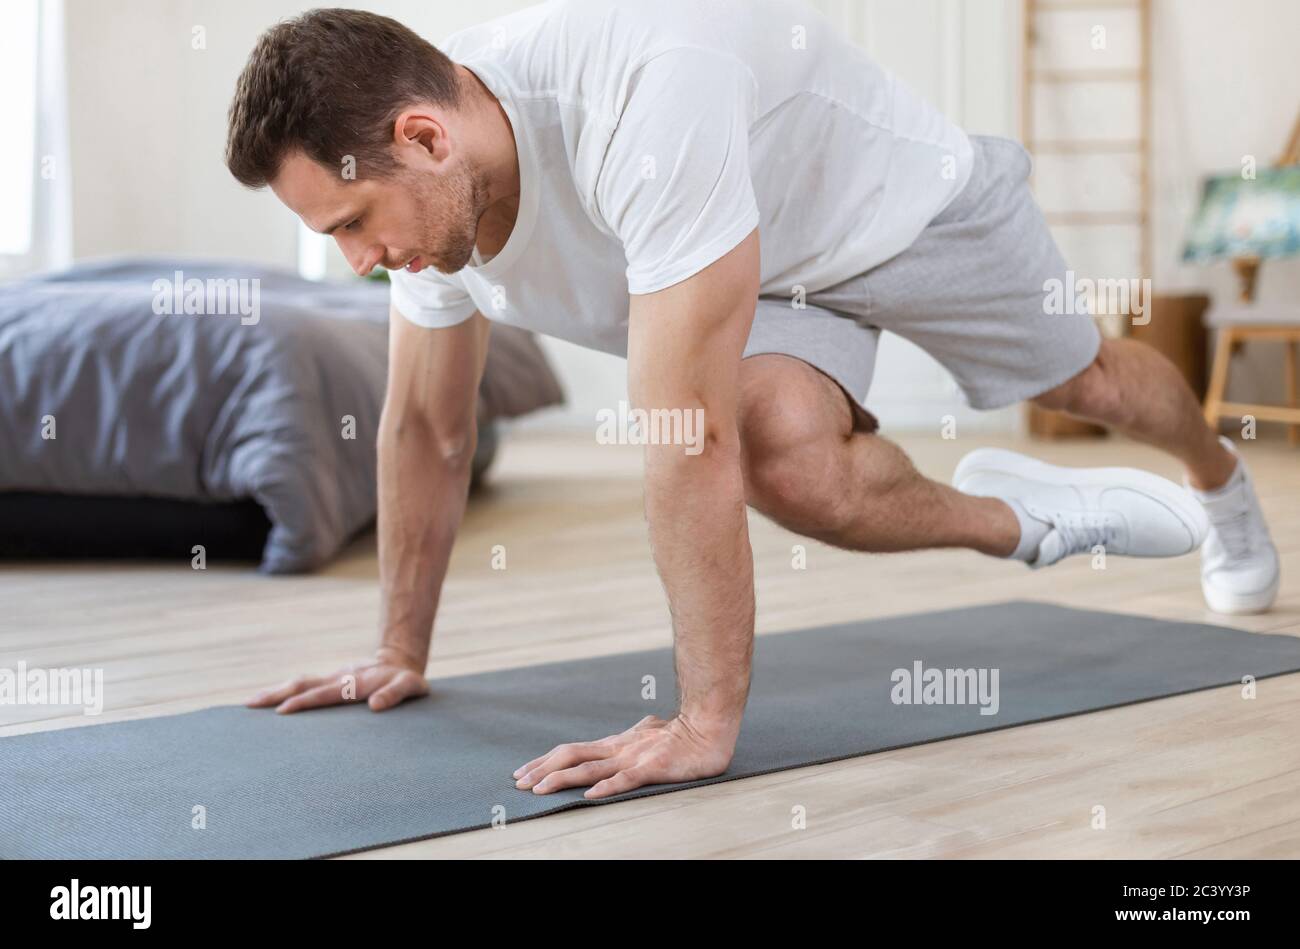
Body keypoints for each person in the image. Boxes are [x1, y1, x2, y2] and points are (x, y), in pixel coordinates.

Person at [224, 0, 1280, 800]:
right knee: (790, 464)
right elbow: (423, 426)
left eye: (352, 222)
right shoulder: (431, 204)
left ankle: (1219, 482)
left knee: (1087, 379)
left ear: (423, 136)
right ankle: (1032, 520)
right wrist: (401, 649)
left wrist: (701, 721)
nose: (362, 260)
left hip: (898, 215)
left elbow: (684, 434)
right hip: (751, 272)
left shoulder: (639, 94)